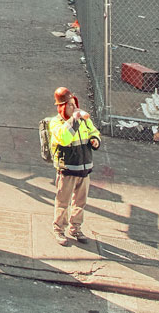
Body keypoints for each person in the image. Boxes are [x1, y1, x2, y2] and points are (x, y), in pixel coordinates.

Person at [41, 86, 101, 243]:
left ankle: (76, 228)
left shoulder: (84, 121)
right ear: (62, 107)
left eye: (75, 105)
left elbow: (94, 131)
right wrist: (75, 118)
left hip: (84, 168)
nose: (74, 108)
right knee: (63, 202)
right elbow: (64, 138)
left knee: (80, 202)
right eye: (70, 105)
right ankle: (59, 229)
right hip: (67, 169)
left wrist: (95, 140)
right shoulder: (56, 123)